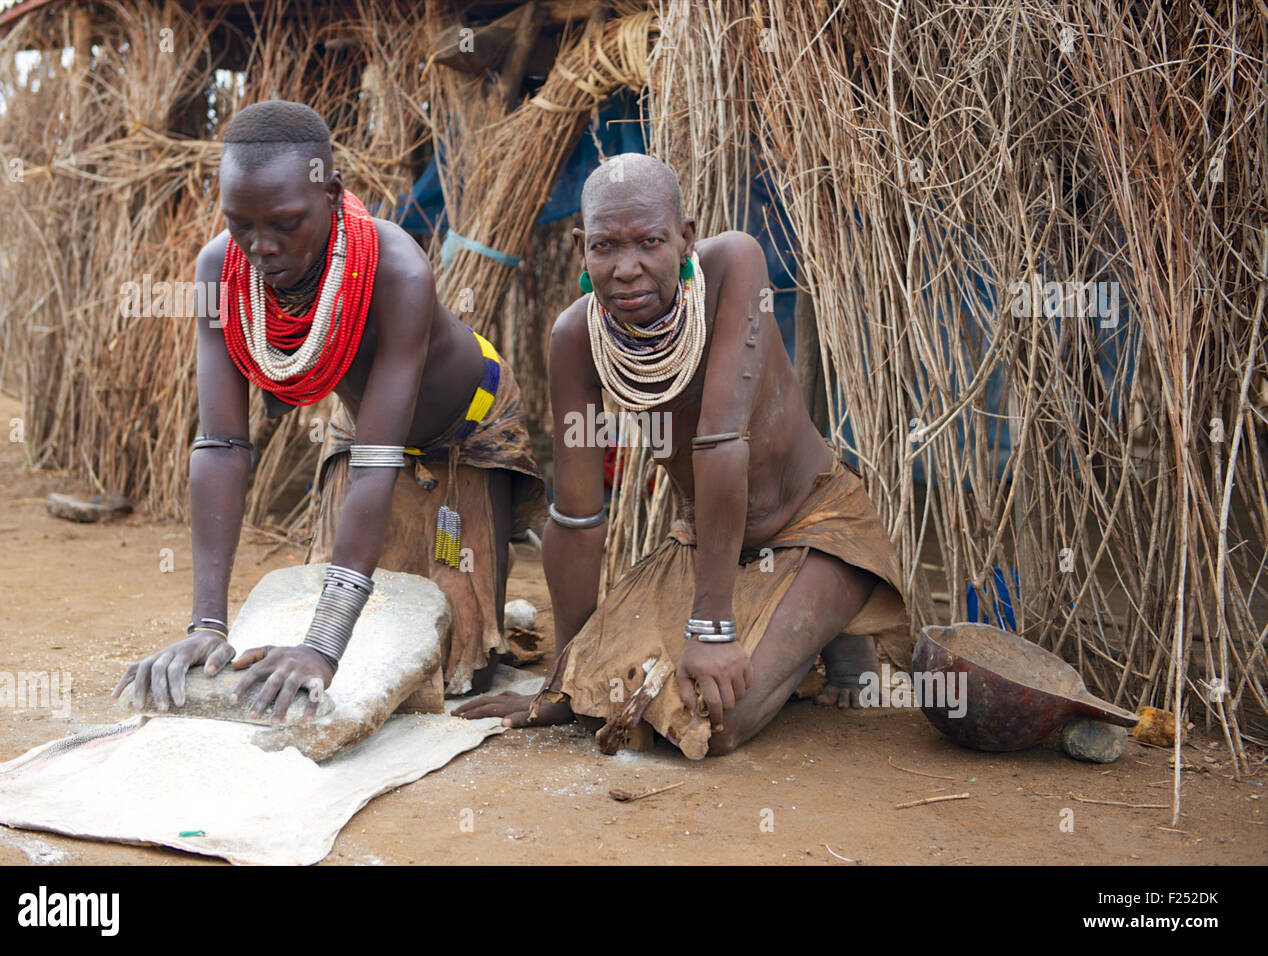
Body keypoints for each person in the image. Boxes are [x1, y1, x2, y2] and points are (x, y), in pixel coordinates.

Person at [455, 154, 906, 758]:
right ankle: (802, 633)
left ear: (685, 237)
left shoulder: (733, 266)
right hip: (708, 542)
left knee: (711, 720)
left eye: (649, 242)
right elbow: (578, 518)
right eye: (606, 247)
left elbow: (722, 442)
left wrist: (713, 629)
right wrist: (566, 672)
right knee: (603, 693)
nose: (627, 268)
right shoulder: (576, 338)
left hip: (813, 525)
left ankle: (829, 614)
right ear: (581, 246)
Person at [113, 100, 544, 719]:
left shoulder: (396, 270)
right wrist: (205, 626)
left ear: (332, 195)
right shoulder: (220, 271)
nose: (261, 246)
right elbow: (222, 444)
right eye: (240, 225)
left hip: (464, 422)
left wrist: (321, 647)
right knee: (353, 640)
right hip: (365, 425)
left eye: (286, 222)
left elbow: (377, 464)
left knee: (454, 669)